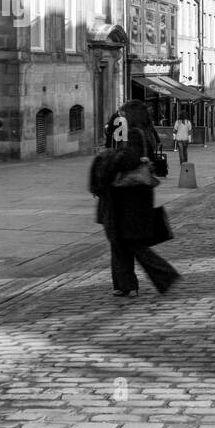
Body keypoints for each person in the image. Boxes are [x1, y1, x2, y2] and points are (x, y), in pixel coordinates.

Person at [89, 100, 180, 298]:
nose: (121, 116)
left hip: (126, 194)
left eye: (124, 113)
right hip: (136, 194)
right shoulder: (146, 132)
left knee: (127, 240)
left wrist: (109, 161)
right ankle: (125, 284)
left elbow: (127, 158)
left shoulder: (133, 134)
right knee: (120, 240)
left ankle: (164, 274)